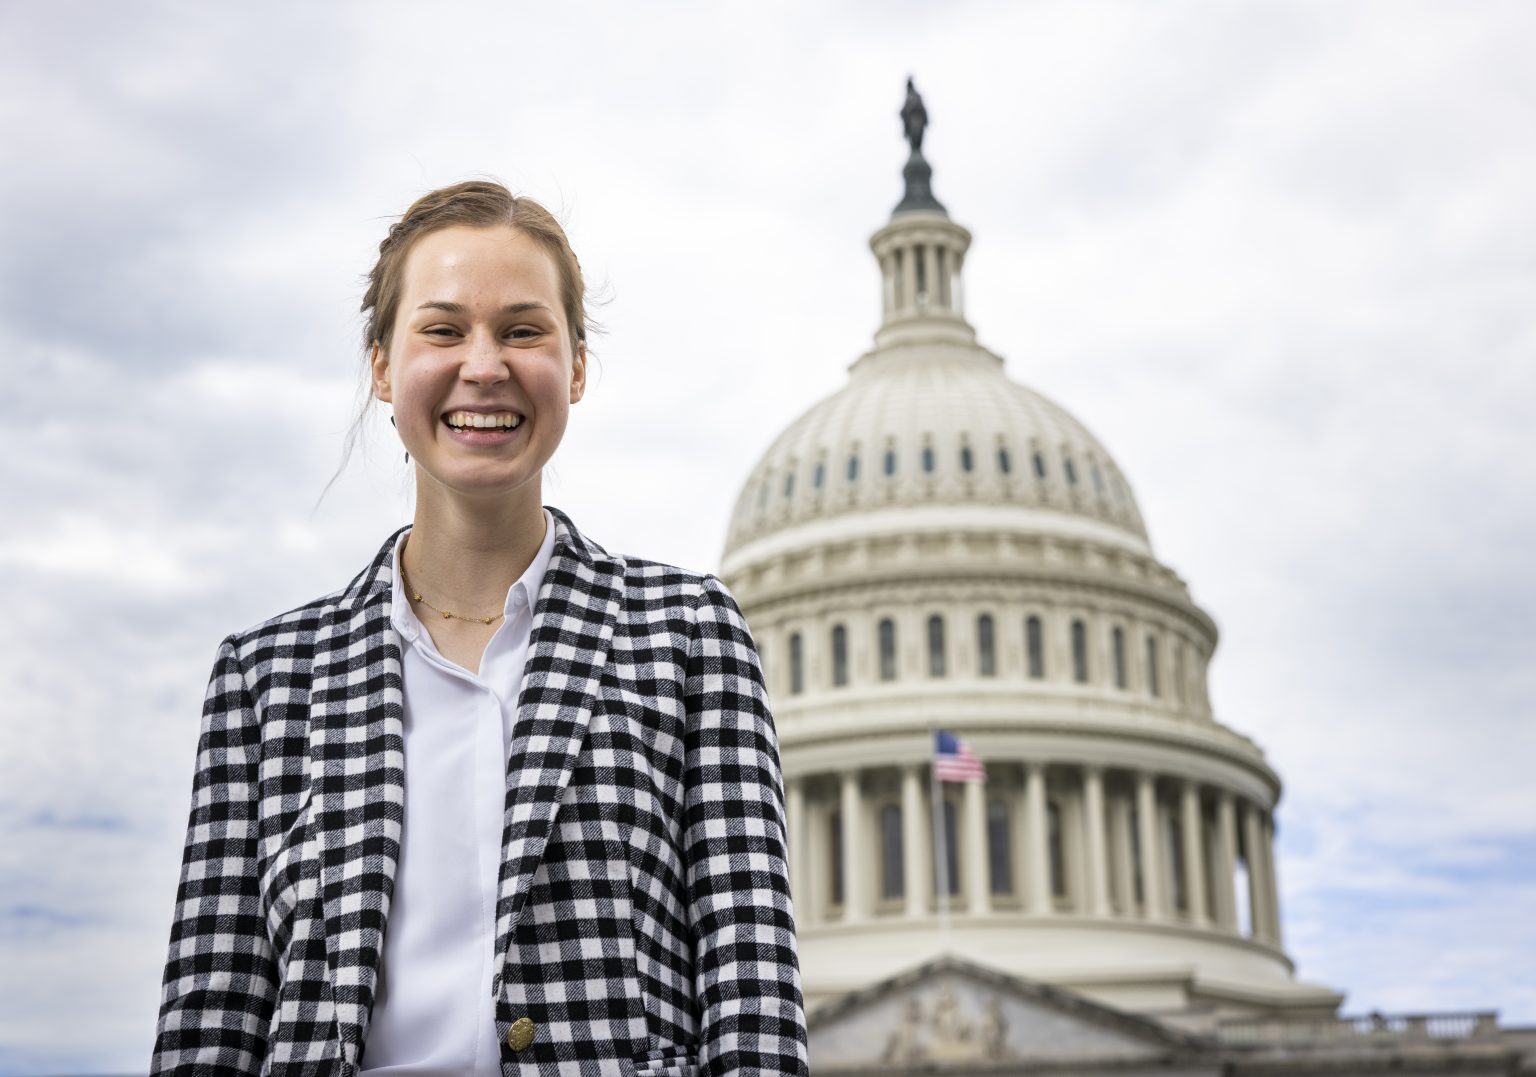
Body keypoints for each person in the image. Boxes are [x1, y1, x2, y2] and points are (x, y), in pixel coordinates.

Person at [151, 180, 809, 1076]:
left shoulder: (689, 635)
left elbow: (754, 1005)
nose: (485, 364)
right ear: (381, 364)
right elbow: (211, 1025)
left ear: (576, 366)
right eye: (444, 328)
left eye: (524, 329)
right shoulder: (266, 680)